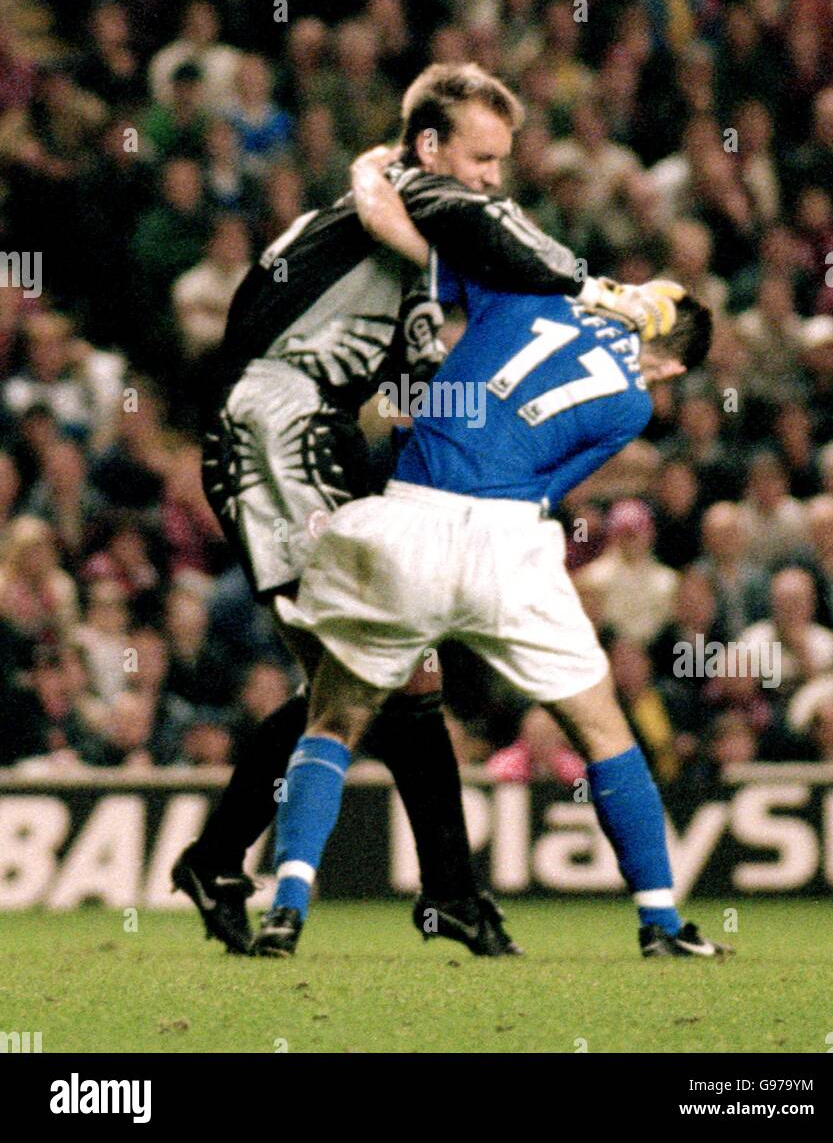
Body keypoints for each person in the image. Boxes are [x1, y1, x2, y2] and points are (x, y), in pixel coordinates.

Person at [173, 62, 683, 956]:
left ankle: (437, 890)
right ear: (429, 146)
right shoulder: (420, 191)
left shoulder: (404, 212)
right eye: (480, 158)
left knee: (393, 675)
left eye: (499, 161)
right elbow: (483, 234)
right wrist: (589, 286)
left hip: (309, 430)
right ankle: (247, 863)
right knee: (353, 682)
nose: (491, 178)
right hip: (279, 429)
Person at [252, 244, 724, 960]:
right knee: (605, 735)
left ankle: (286, 908)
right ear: (677, 366)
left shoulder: (527, 295)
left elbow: (430, 263)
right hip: (507, 544)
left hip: (407, 525)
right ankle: (660, 923)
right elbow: (543, 483)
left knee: (334, 721)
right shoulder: (630, 406)